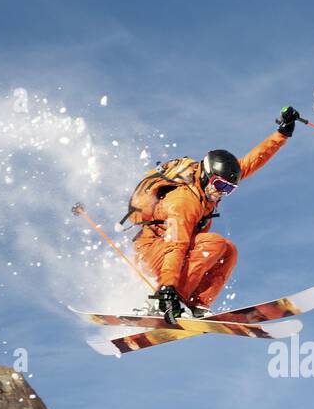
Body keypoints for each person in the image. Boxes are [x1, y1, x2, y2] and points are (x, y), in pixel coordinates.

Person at [120, 106, 301, 325]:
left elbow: (250, 163)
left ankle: (197, 304)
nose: (220, 193)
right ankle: (170, 301)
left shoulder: (206, 188)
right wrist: (167, 288)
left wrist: (282, 134)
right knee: (214, 243)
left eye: (228, 189)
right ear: (206, 176)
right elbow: (175, 246)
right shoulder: (184, 201)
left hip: (171, 250)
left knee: (229, 250)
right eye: (218, 185)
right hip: (153, 250)